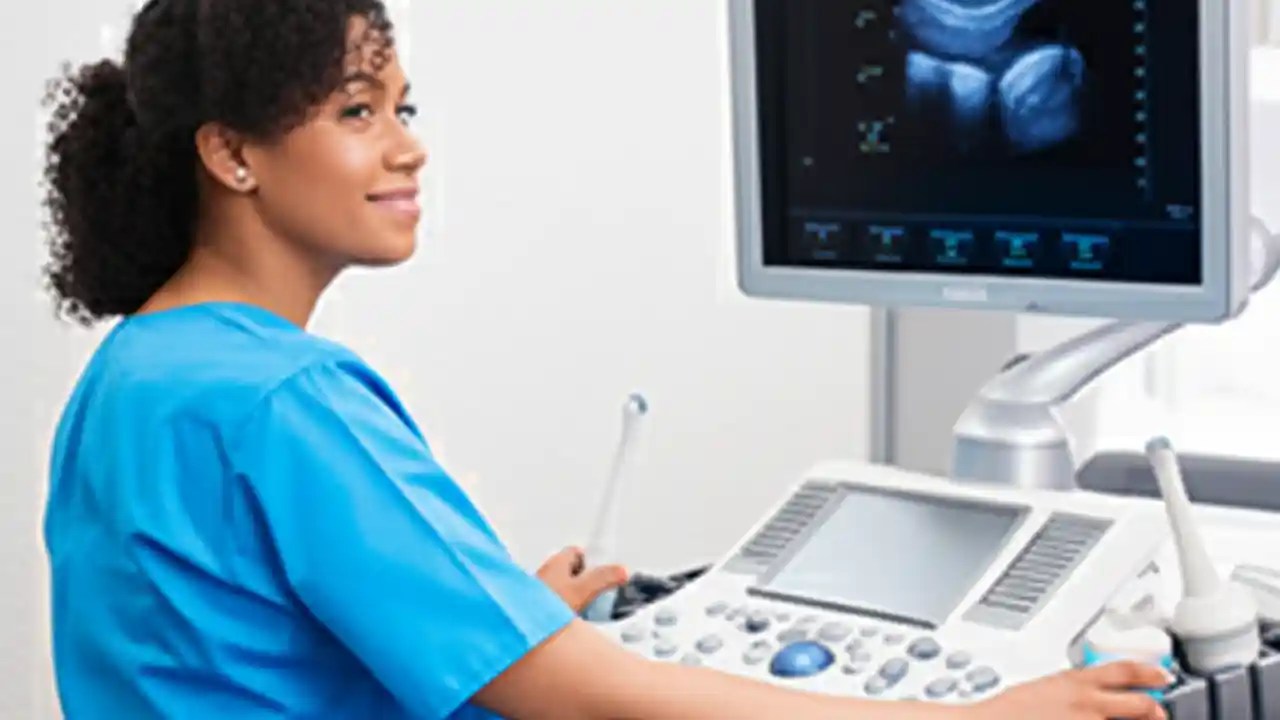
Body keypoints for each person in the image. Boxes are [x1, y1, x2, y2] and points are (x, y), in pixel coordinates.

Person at [38, 1, 1171, 718]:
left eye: (403, 103)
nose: (407, 143)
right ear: (231, 155)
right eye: (354, 111)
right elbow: (586, 698)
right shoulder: (286, 399)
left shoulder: (133, 374)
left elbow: (227, 651)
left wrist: (497, 621)